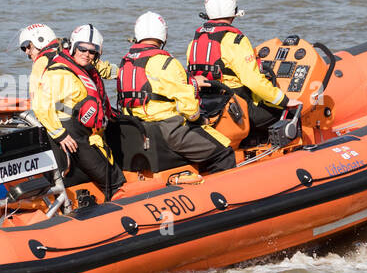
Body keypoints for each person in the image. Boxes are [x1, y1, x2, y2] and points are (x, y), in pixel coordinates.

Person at [119, 12, 238, 173]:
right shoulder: (167, 63)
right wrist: (200, 119)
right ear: (163, 34)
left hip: (138, 128)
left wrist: (193, 83)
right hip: (170, 131)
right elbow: (190, 109)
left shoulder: (126, 63)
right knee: (224, 152)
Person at [185, 0, 289, 148]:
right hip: (237, 110)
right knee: (287, 111)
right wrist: (284, 100)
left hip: (207, 108)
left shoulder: (194, 43)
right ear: (234, 11)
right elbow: (254, 81)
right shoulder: (236, 41)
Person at [32, 24, 124, 201]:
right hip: (71, 134)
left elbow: (106, 70)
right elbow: (41, 105)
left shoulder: (86, 68)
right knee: (112, 179)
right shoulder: (58, 73)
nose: (86, 54)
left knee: (107, 168)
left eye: (92, 51)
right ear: (74, 47)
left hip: (87, 132)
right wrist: (60, 134)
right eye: (82, 49)